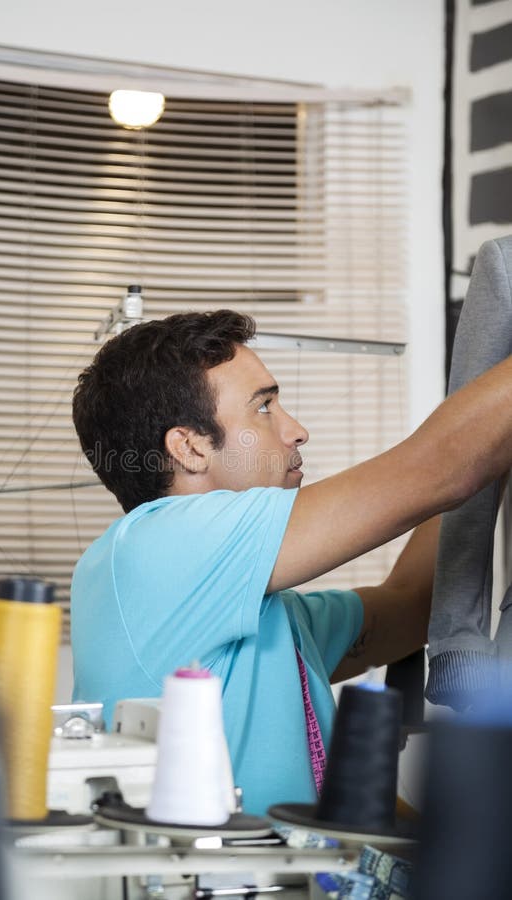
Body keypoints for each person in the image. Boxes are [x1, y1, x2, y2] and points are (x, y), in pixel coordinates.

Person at [70, 309, 512, 815]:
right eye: (264, 408)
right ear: (190, 447)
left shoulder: (260, 611)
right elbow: (441, 467)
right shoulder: (154, 546)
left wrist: (491, 459)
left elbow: (409, 608)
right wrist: (477, 449)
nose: (296, 430)